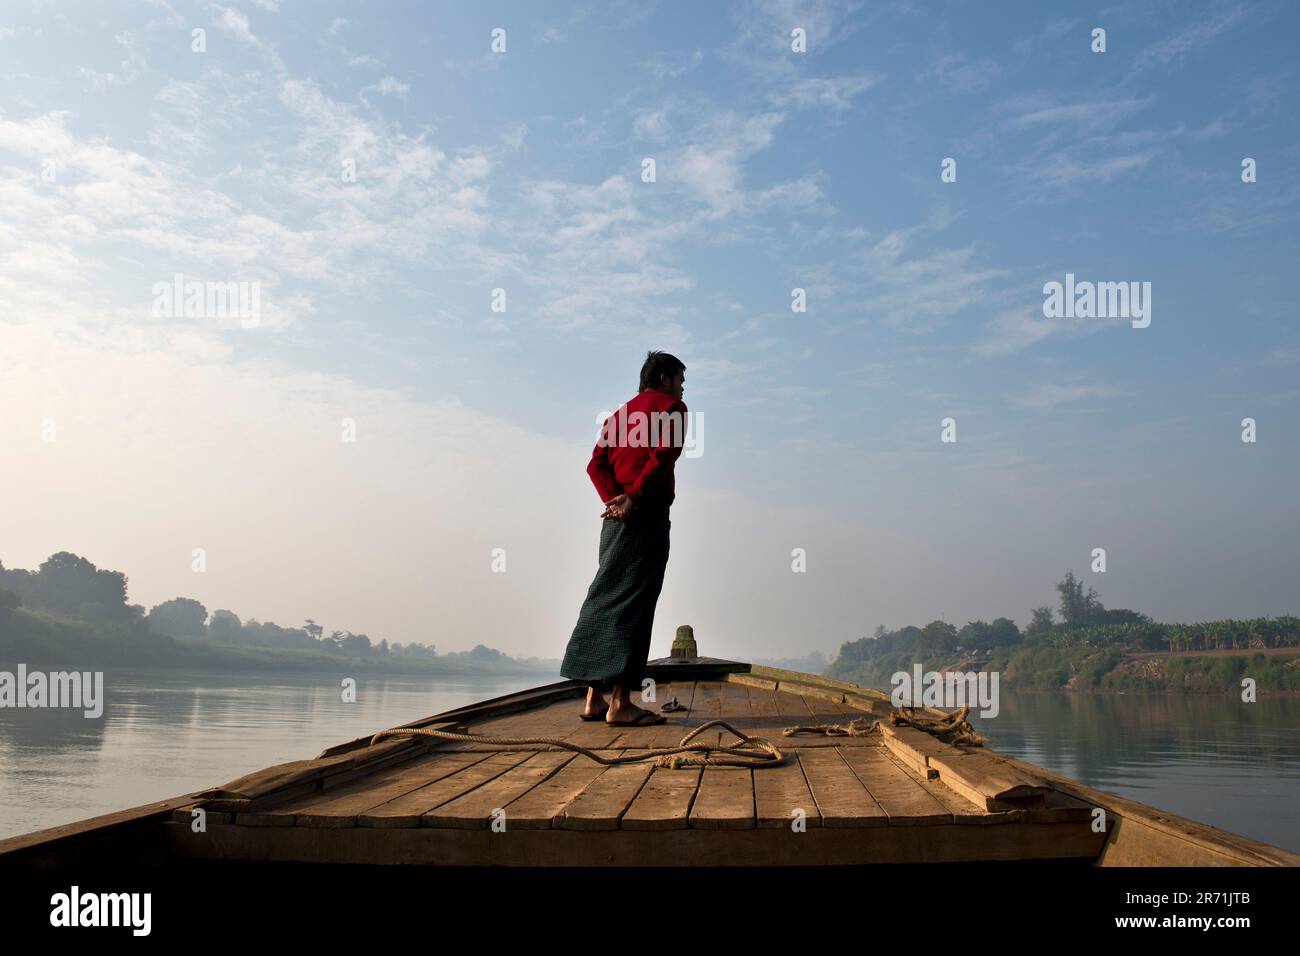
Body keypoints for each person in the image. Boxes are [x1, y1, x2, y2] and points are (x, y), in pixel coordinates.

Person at [560, 350, 688, 727]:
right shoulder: (673, 409)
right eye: (680, 379)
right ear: (664, 377)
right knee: (635, 603)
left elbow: (594, 464)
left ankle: (592, 698)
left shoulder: (618, 416)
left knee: (604, 598)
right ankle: (621, 703)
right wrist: (632, 498)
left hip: (615, 520)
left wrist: (614, 500)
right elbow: (663, 456)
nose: (682, 388)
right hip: (644, 515)